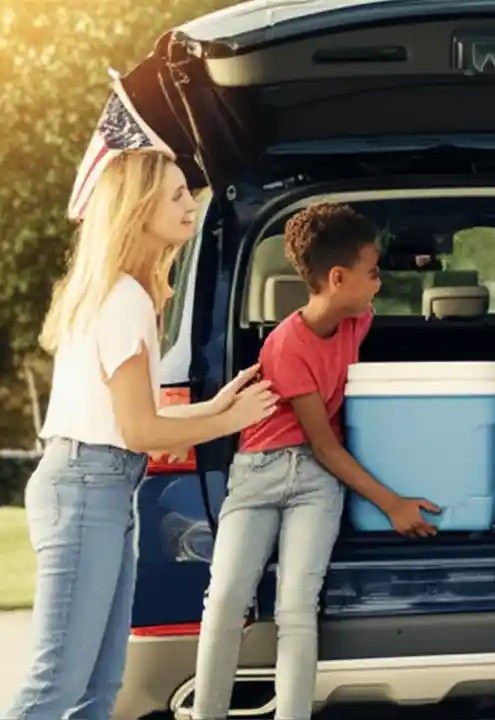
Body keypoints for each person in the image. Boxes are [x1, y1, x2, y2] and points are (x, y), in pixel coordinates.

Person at [5, 150, 278, 720]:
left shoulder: (122, 293)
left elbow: (132, 418)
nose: (189, 205)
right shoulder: (124, 300)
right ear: (137, 209)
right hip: (86, 491)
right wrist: (230, 421)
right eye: (175, 195)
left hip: (99, 486)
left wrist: (214, 406)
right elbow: (140, 431)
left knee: (98, 687)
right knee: (57, 685)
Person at [191, 203, 441, 719]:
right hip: (261, 472)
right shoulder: (285, 345)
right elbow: (325, 443)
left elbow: (322, 453)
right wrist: (392, 504)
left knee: (297, 606)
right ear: (337, 278)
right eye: (372, 272)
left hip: (316, 480)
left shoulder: (358, 319)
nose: (378, 283)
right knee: (226, 599)